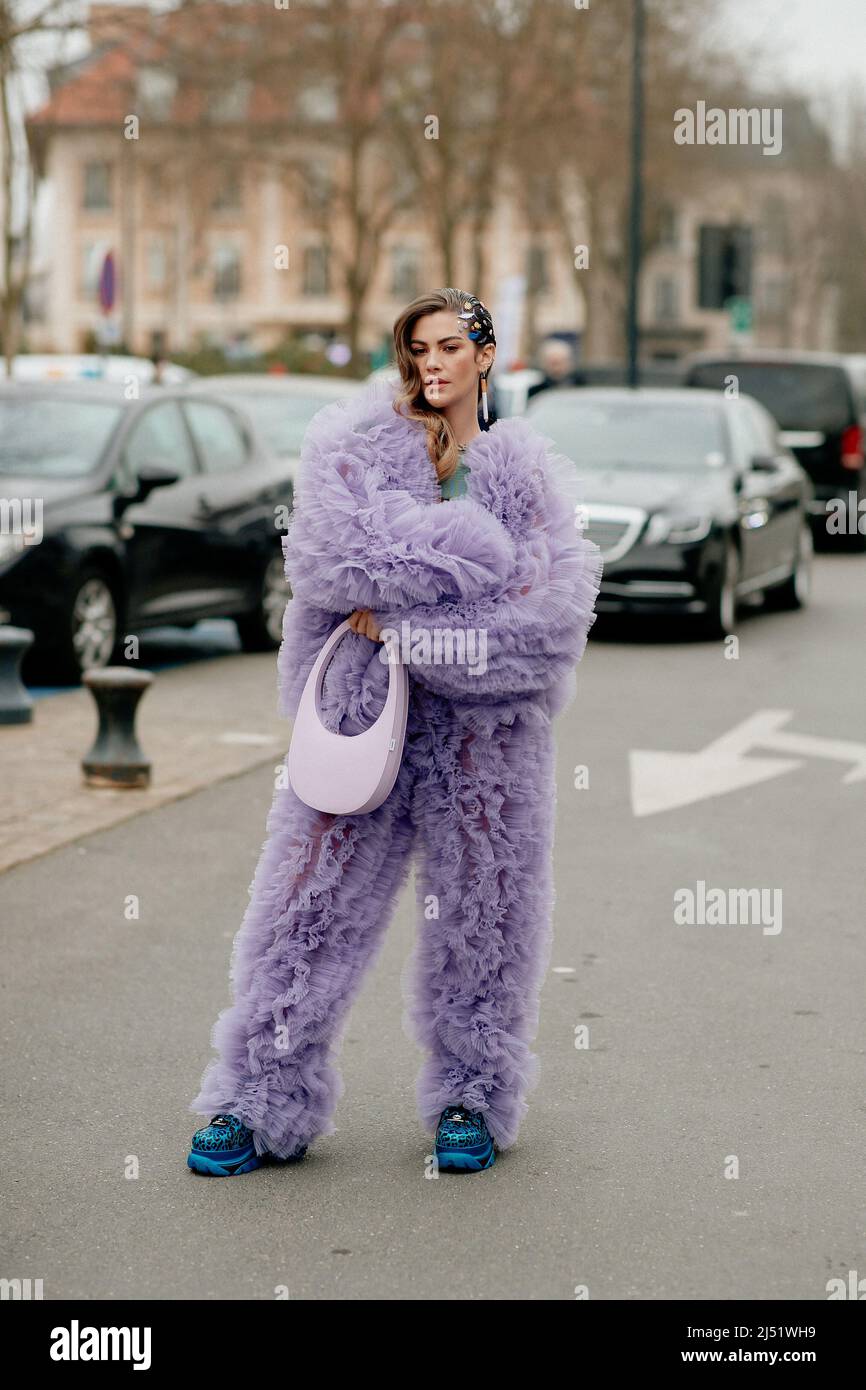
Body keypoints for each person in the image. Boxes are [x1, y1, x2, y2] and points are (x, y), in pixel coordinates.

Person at [187, 288, 603, 1176]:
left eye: (453, 346)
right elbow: (329, 559)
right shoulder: (355, 446)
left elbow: (546, 628)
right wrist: (477, 564)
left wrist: (410, 631)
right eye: (419, 347)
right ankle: (256, 1099)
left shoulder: (526, 474)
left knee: (488, 919)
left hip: (488, 741)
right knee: (305, 909)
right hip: (355, 719)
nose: (433, 363)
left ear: (486, 356)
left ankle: (472, 1101)